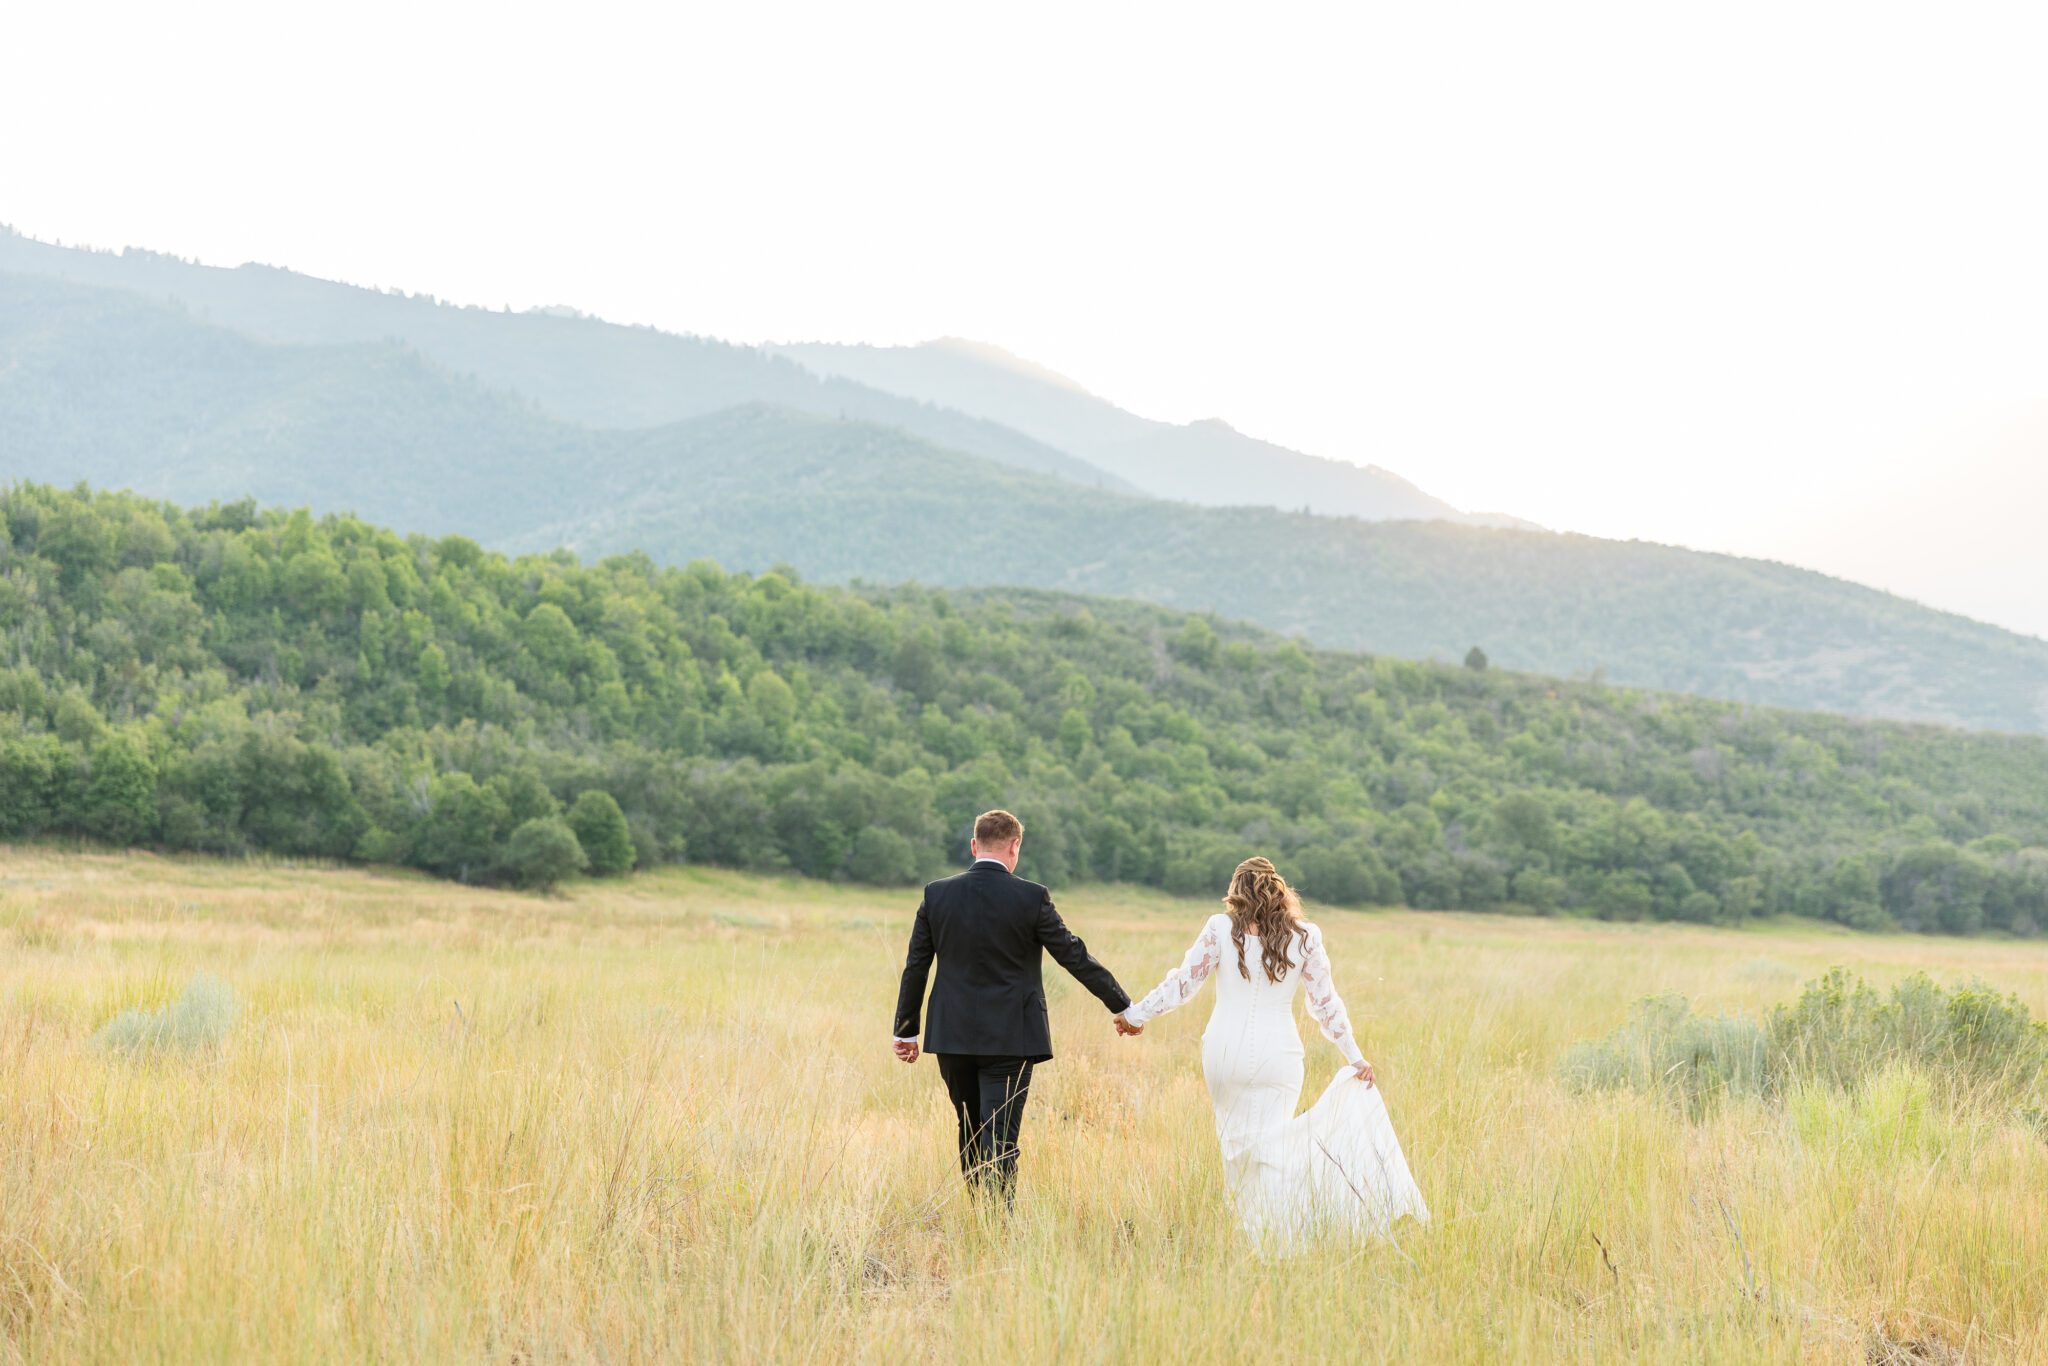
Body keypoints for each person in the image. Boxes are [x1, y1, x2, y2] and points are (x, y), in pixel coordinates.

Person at [1119, 856, 1428, 1253]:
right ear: (1280, 892)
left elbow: (1183, 984)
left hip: (1224, 1052)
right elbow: (1326, 1004)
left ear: (1236, 892)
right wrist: (1354, 1056)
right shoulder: (1305, 936)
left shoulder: (1220, 928)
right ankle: (1272, 1240)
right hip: (1278, 1057)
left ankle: (1254, 1238)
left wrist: (1135, 1015)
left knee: (1235, 1148)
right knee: (1272, 1147)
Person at [891, 809, 1133, 1204]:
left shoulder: (937, 894)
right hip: (1012, 1037)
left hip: (951, 1036)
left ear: (974, 846)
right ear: (1014, 846)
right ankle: (997, 1223)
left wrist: (906, 1030)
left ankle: (981, 1214)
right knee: (1000, 1133)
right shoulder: (1031, 896)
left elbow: (916, 965)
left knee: (969, 1127)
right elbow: (1072, 954)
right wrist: (1121, 1005)